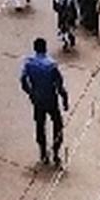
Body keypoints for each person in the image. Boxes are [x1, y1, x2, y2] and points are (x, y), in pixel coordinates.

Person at [20, 38, 70, 167]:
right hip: (51, 100)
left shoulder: (29, 63)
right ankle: (56, 153)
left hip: (38, 100)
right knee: (57, 126)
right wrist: (64, 99)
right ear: (45, 48)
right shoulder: (51, 65)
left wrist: (30, 93)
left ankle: (43, 153)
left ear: (35, 48)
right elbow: (59, 84)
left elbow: (23, 81)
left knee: (40, 126)